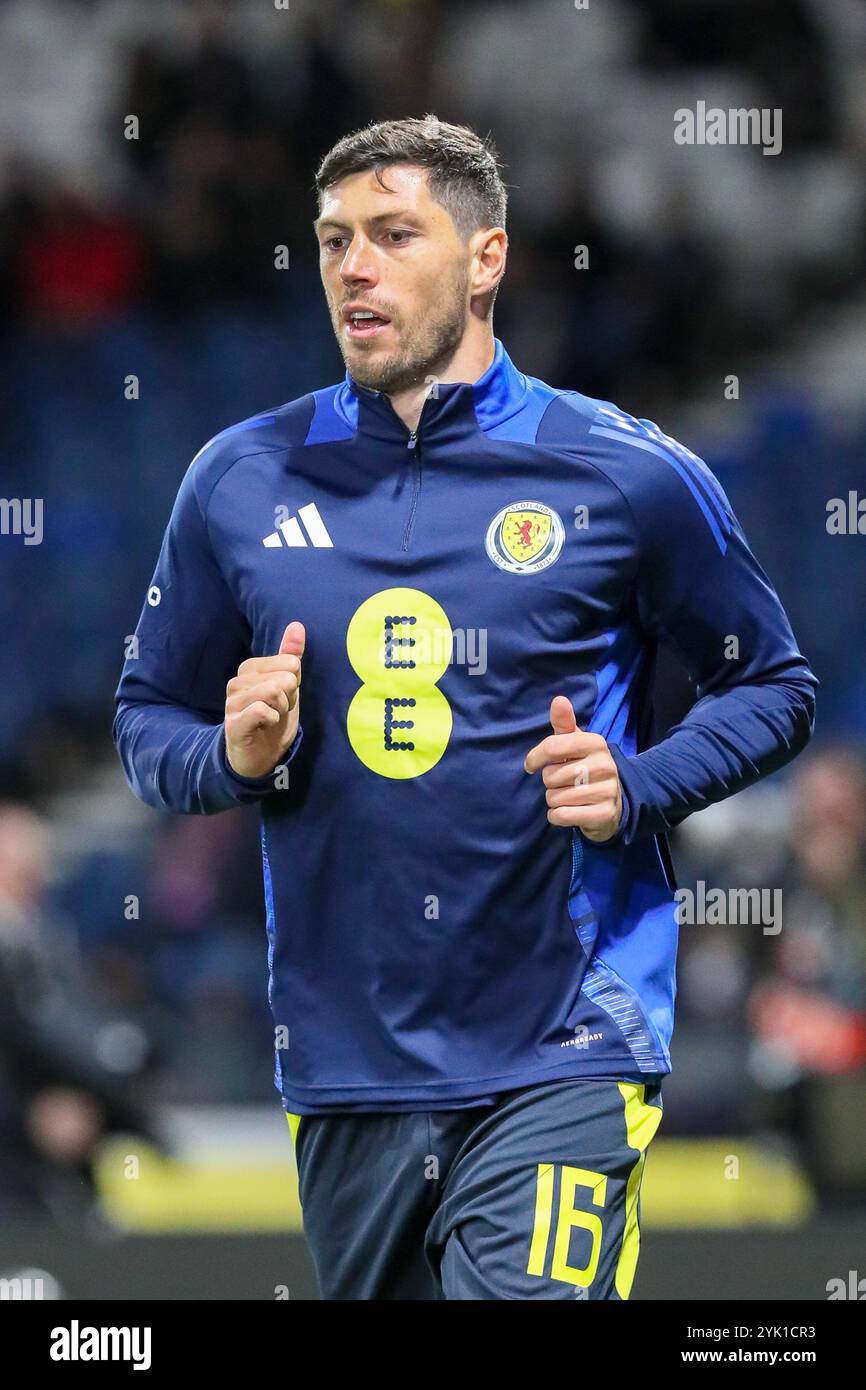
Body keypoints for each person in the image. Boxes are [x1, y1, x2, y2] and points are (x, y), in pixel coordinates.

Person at [113, 116, 817, 1300]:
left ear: (486, 257)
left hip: (561, 1048)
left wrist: (636, 782)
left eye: (394, 233)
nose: (352, 266)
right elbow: (145, 723)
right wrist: (231, 755)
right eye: (334, 238)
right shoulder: (237, 478)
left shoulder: (624, 472)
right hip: (345, 1068)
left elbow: (774, 682)